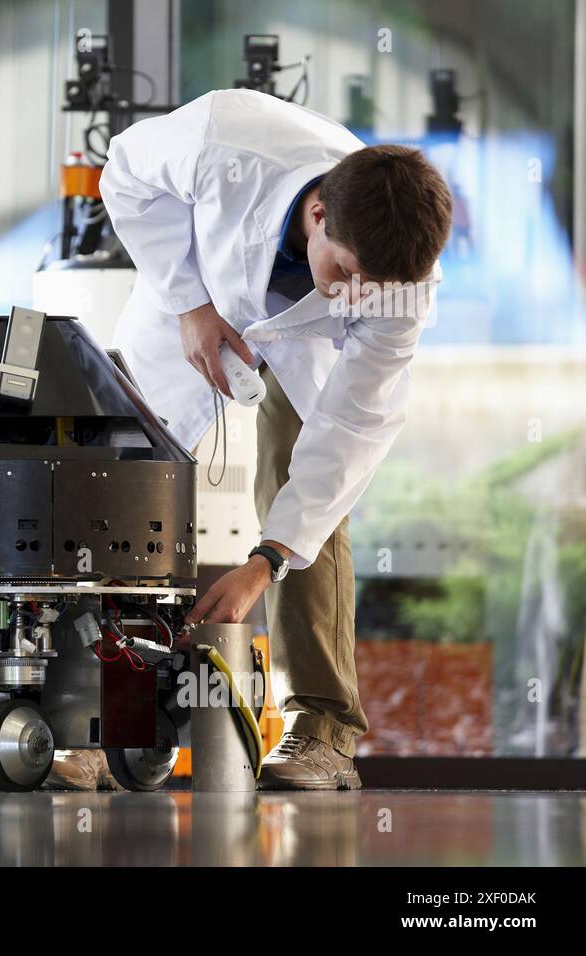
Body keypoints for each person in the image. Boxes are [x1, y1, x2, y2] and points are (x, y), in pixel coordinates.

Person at [99, 89, 452, 789]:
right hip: (190, 308)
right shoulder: (225, 140)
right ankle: (102, 717)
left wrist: (263, 564)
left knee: (310, 485)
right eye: (345, 273)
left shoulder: (400, 283)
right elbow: (125, 174)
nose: (354, 295)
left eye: (371, 291)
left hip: (308, 353)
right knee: (115, 481)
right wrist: (191, 304)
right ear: (318, 215)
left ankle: (322, 729)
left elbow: (353, 430)